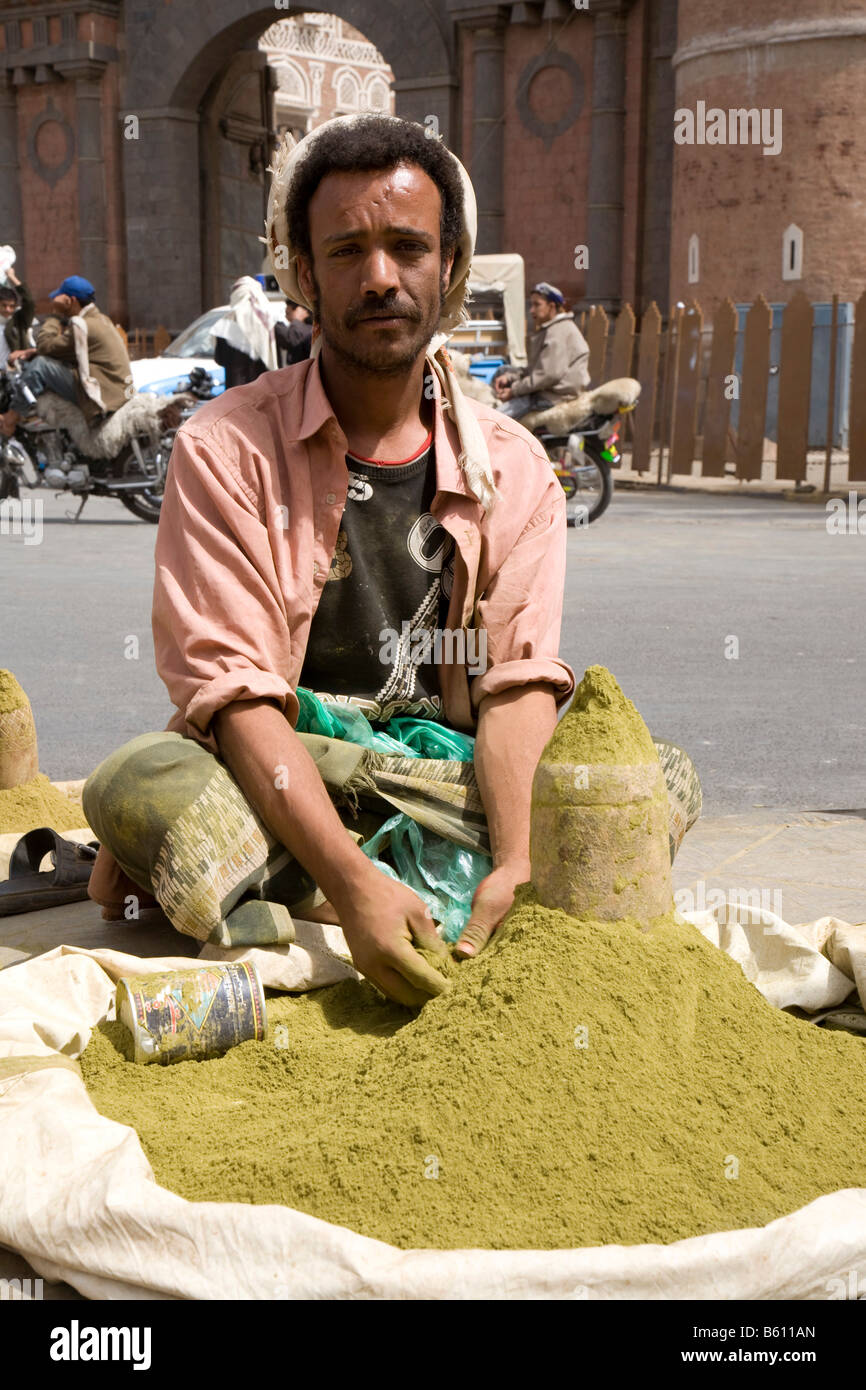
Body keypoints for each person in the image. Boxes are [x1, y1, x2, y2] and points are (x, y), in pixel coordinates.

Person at [83, 114, 578, 1007]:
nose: (380, 277)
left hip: (439, 785)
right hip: (281, 777)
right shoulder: (224, 448)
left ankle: (295, 904)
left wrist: (519, 862)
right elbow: (233, 693)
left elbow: (514, 683)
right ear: (304, 275)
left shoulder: (514, 466)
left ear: (450, 267)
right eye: (347, 251)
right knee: (137, 785)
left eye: (407, 247)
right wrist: (352, 882)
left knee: (644, 780)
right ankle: (351, 896)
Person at [0, 275, 133, 436]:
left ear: (70, 301)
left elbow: (44, 346)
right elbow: (68, 349)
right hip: (113, 388)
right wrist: (31, 351)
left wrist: (55, 314)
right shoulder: (100, 319)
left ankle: (11, 419)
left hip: (101, 392)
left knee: (40, 366)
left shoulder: (81, 325)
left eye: (59, 297)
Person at [494, 282, 590, 420]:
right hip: (545, 392)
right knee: (504, 370)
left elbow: (547, 376)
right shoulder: (551, 329)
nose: (532, 310)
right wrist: (510, 377)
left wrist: (513, 391)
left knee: (496, 420)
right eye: (531, 305)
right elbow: (536, 370)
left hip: (556, 397)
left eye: (537, 305)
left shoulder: (559, 331)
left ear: (551, 306)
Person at [211, 275, 278, 388]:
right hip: (264, 390)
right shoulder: (269, 321)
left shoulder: (227, 323)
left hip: (236, 390)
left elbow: (220, 359)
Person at [0, 267, 36, 370]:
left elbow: (29, 302)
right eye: (4, 305)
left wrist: (12, 277)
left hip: (15, 371)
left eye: (11, 306)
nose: (8, 310)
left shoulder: (18, 321)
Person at [274, 298, 313, 367]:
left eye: (288, 313)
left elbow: (293, 340)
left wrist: (296, 320)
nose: (286, 316)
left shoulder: (309, 330)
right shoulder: (298, 328)